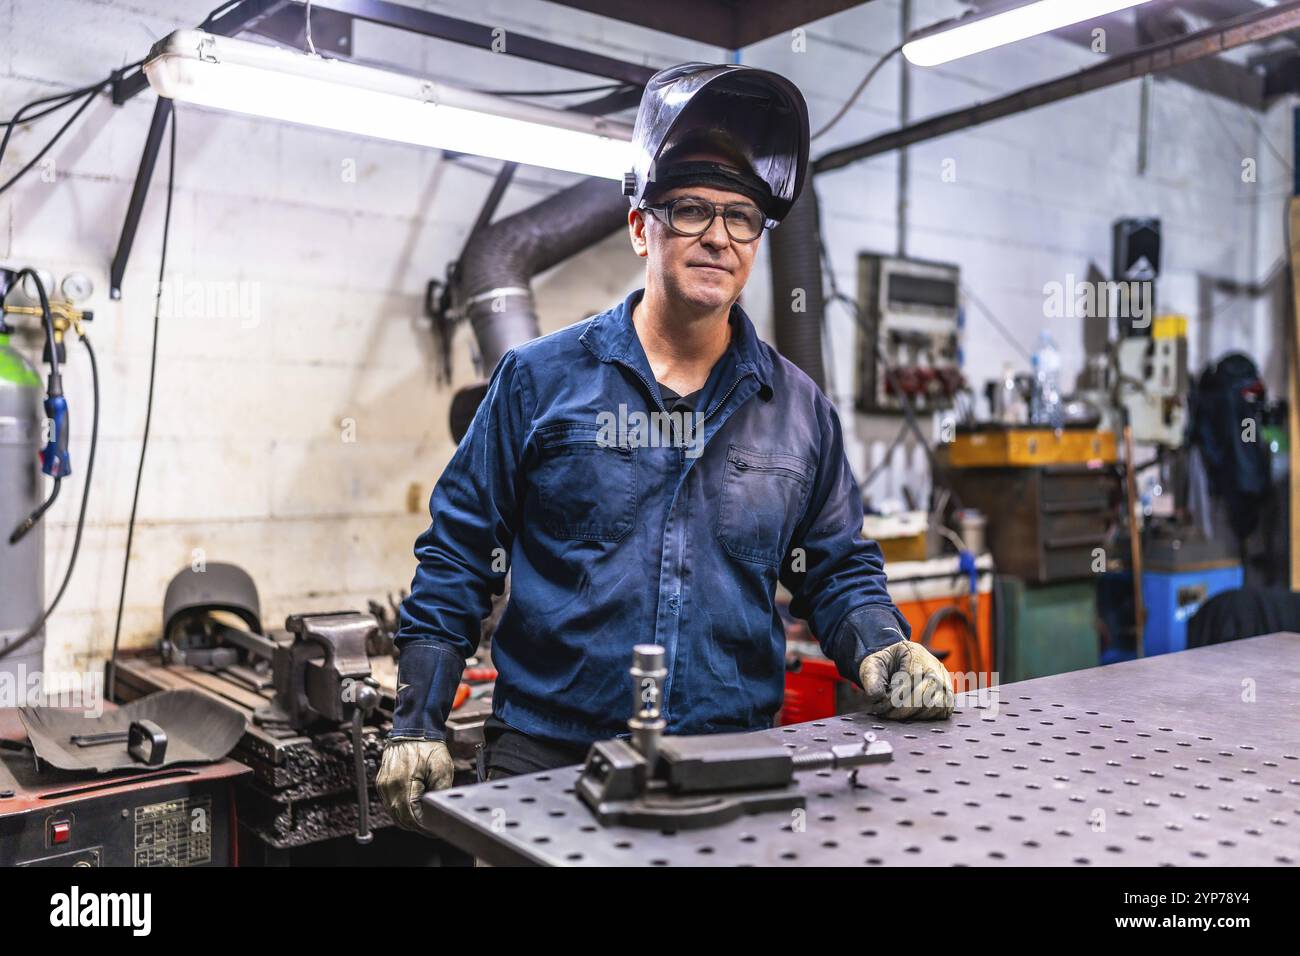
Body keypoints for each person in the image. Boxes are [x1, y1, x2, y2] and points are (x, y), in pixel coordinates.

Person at [378, 62, 954, 832]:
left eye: (742, 216)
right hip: (548, 767)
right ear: (641, 225)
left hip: (732, 765)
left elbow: (837, 568)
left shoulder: (799, 411)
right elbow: (457, 556)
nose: (718, 236)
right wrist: (417, 720)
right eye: (690, 210)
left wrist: (882, 644)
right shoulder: (536, 382)